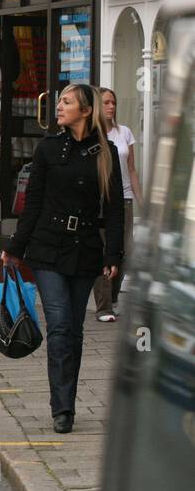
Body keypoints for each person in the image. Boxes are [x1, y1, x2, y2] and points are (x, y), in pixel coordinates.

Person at [1, 83, 124, 435]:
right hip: (46, 249)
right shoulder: (48, 148)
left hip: (86, 251)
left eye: (66, 102)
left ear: (85, 110)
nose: (58, 107)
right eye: (58, 101)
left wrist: (114, 253)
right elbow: (32, 204)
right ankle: (63, 409)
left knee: (75, 331)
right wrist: (15, 247)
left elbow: (114, 210)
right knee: (58, 325)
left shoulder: (106, 152)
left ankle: (66, 399)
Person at [93, 88, 140, 322]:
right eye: (106, 103)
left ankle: (112, 298)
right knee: (102, 251)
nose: (111, 107)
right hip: (100, 200)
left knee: (126, 252)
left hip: (124, 199)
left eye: (114, 102)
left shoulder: (125, 133)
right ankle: (103, 308)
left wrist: (142, 200)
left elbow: (131, 169)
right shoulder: (92, 135)